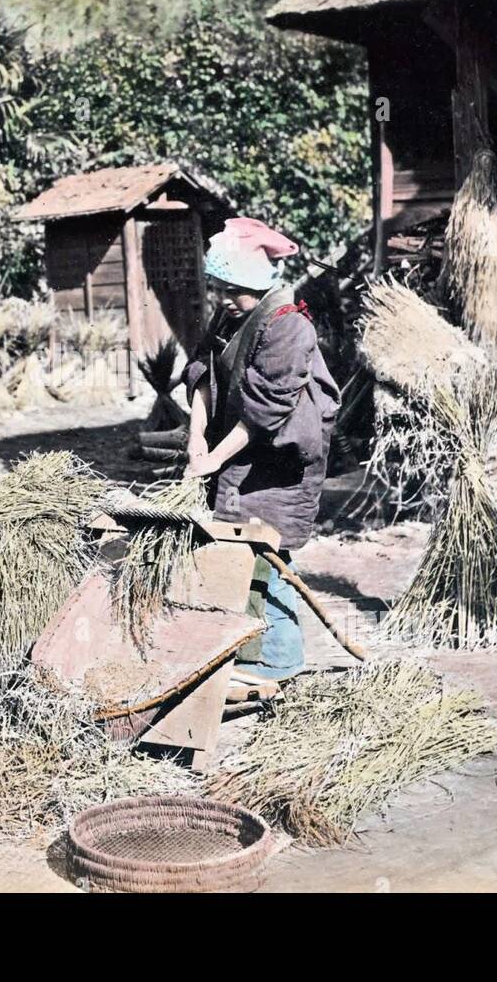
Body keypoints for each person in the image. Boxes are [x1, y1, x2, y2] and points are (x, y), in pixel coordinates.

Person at [183, 217, 341, 690]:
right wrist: (196, 437)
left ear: (258, 283)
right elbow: (201, 373)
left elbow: (265, 410)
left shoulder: (288, 326)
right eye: (218, 287)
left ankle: (277, 664)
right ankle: (251, 656)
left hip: (280, 461)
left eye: (234, 289)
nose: (224, 299)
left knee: (267, 558)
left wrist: (213, 457)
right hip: (239, 453)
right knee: (237, 550)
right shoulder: (229, 316)